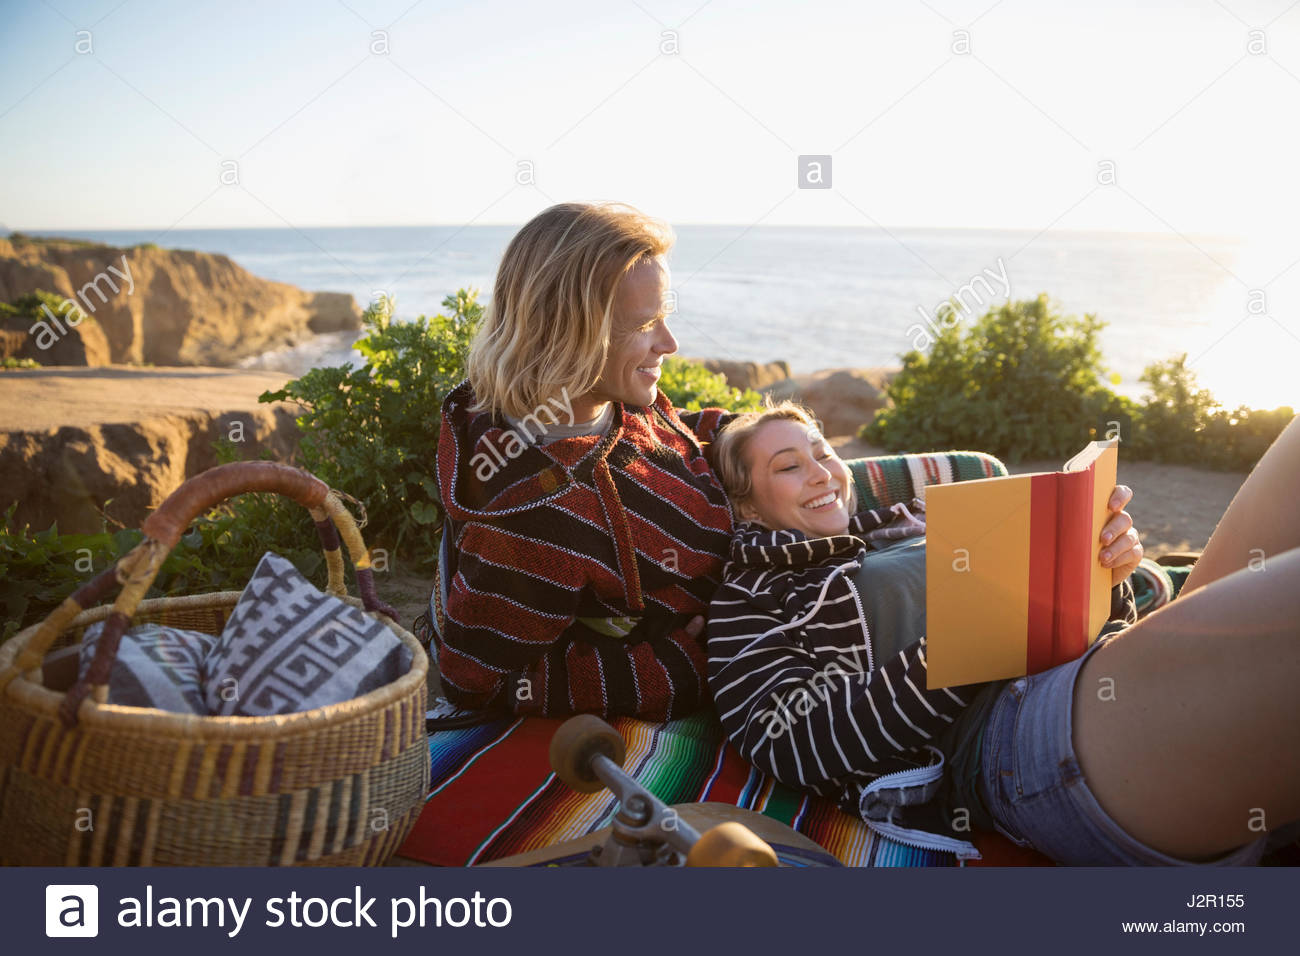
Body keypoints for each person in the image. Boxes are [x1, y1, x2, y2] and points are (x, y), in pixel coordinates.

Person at [706, 401, 1300, 865]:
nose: (821, 472)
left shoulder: (904, 523)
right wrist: (963, 642)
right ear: (748, 506)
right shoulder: (752, 596)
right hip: (1010, 742)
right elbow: (791, 742)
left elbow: (1078, 621)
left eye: (822, 451)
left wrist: (1104, 568)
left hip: (1095, 667)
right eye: (788, 466)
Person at [426, 201, 735, 721]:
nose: (670, 343)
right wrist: (687, 662)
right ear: (568, 333)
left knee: (917, 518)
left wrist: (756, 436)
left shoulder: (597, 400)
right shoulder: (535, 514)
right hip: (748, 629)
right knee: (913, 600)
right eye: (647, 324)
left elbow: (668, 429)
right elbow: (474, 680)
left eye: (665, 318)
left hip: (769, 539)